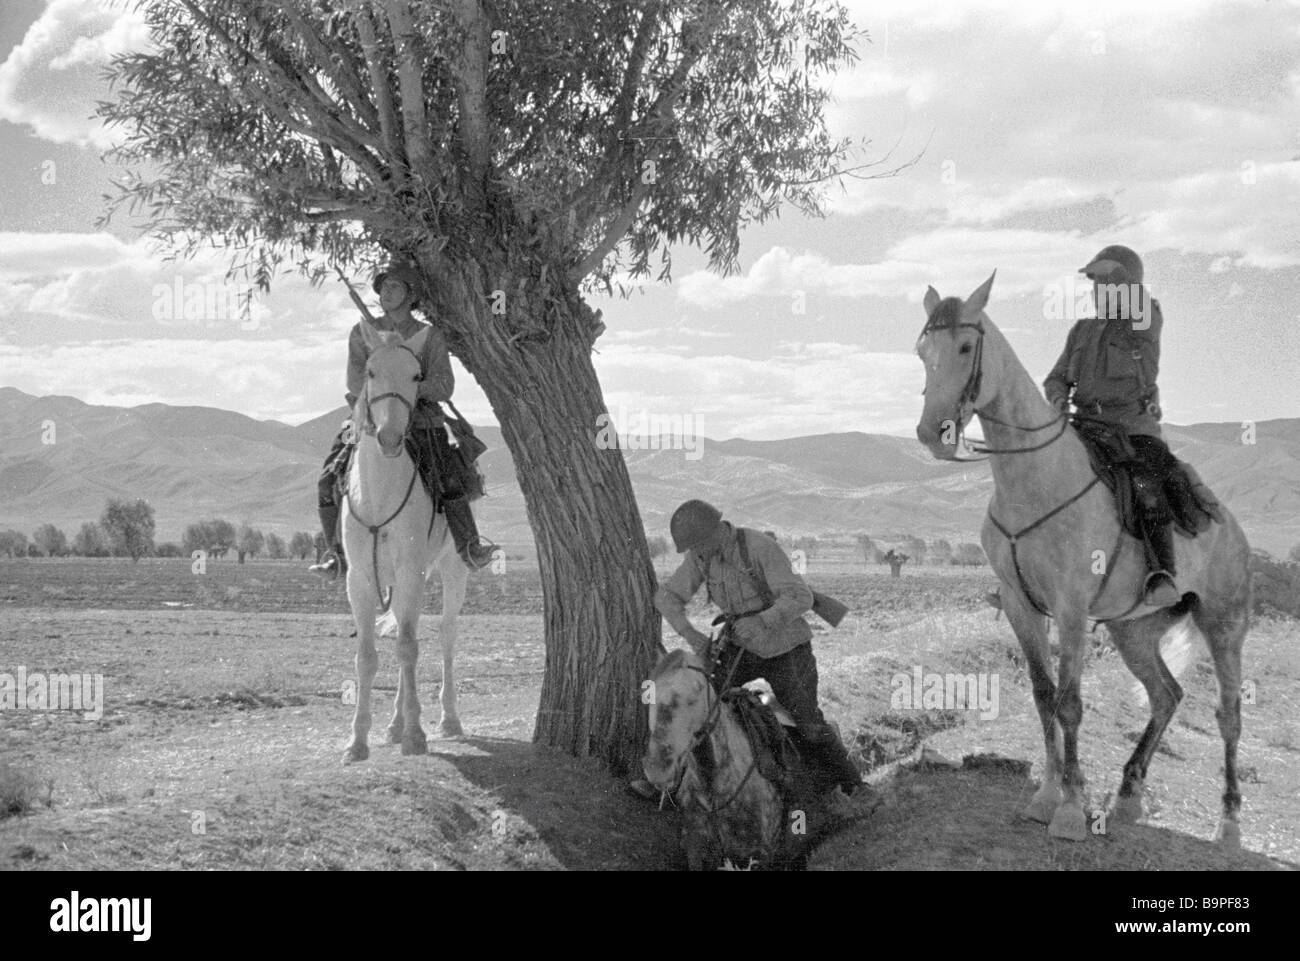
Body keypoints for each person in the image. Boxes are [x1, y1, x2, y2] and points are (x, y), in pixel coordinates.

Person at [631, 499, 864, 806]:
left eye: (698, 545)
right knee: (701, 710)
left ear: (716, 533)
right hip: (739, 645)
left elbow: (800, 596)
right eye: (692, 549)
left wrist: (762, 621)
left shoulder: (759, 547)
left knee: (807, 722)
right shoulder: (700, 556)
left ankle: (854, 787)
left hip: (787, 647)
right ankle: (669, 785)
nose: (695, 554)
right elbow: (667, 598)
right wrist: (693, 635)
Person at [1043, 244, 1215, 608]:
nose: (1097, 290)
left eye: (1106, 283)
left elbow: (1140, 303)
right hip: (1085, 425)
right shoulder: (1082, 330)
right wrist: (1058, 399)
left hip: (1133, 428)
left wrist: (1122, 275)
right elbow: (1057, 377)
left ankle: (1160, 574)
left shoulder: (1143, 321)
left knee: (1144, 483)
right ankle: (1027, 568)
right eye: (1095, 284)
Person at [308, 263, 496, 578]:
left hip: (421, 420)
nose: (385, 292)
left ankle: (469, 547)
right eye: (383, 287)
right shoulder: (362, 333)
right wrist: (385, 382)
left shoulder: (429, 335)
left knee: (450, 480)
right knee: (328, 477)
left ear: (411, 296)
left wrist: (408, 387)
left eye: (394, 287)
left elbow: (443, 385)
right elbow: (355, 383)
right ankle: (336, 556)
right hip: (367, 420)